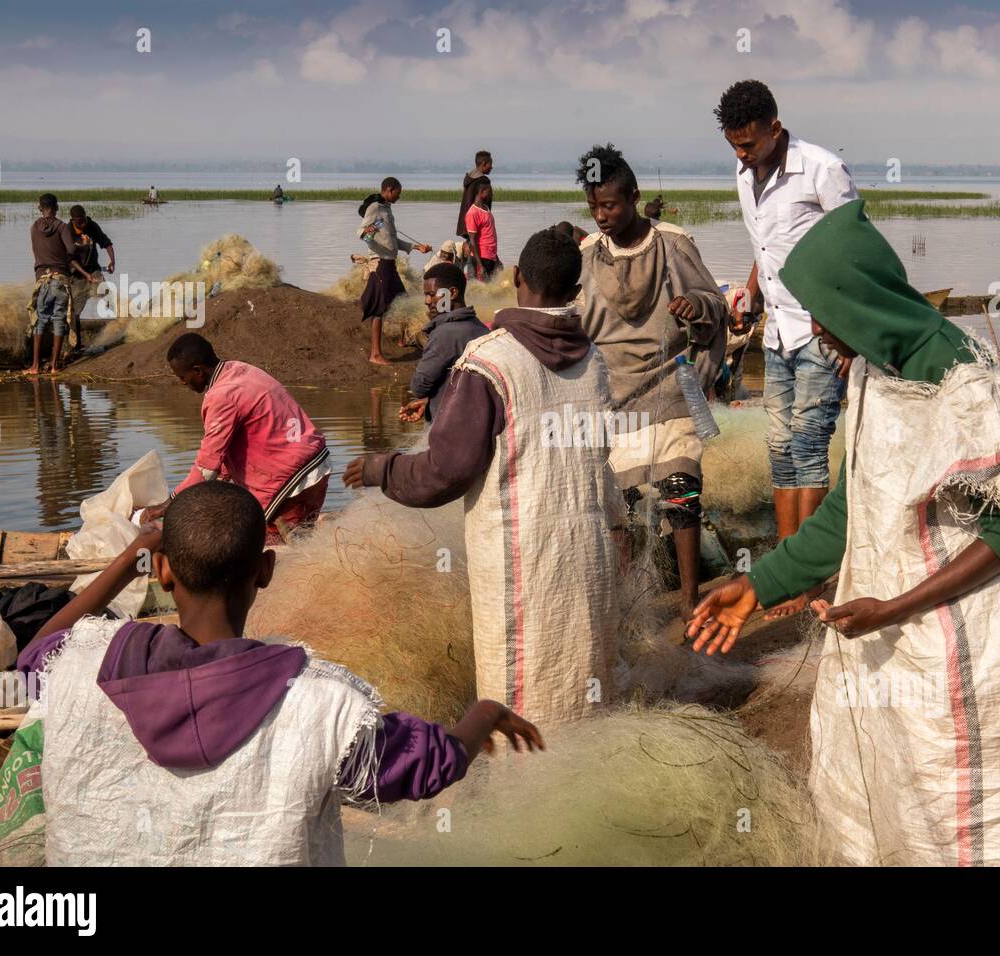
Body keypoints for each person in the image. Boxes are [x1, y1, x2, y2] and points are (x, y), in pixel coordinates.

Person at [688, 199, 1000, 866]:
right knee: (906, 790)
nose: (818, 330)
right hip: (904, 629)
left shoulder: (965, 386)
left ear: (861, 300)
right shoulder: (877, 371)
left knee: (976, 800)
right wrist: (758, 585)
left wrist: (898, 606)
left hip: (981, 635)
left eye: (825, 311)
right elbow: (851, 508)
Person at [17, 481, 541, 866]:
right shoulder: (322, 705)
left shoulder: (87, 664)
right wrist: (487, 712)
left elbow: (36, 653)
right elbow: (435, 765)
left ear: (162, 571)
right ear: (265, 572)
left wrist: (132, 553)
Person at [344, 227, 622, 728]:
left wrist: (380, 468)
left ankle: (524, 788)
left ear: (516, 278)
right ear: (575, 295)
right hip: (587, 557)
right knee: (583, 686)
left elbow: (445, 471)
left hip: (520, 566)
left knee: (517, 694)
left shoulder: (488, 362)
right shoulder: (595, 362)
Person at [716, 79, 858, 619]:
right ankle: (781, 566)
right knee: (778, 449)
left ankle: (806, 576)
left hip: (823, 332)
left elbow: (852, 251)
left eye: (749, 144)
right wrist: (750, 295)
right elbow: (766, 247)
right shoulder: (742, 173)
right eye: (733, 146)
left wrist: (847, 331)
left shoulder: (822, 169)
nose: (741, 155)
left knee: (807, 447)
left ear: (775, 128)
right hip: (776, 331)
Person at [575, 143, 727, 624]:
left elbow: (715, 303)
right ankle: (628, 599)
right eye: (594, 206)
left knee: (681, 489)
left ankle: (688, 599)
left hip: (671, 384)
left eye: (611, 206)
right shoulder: (586, 256)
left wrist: (695, 308)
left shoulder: (673, 243)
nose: (601, 216)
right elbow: (575, 321)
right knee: (620, 502)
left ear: (635, 197)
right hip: (612, 393)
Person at [140, 333, 331, 543]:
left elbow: (206, 468)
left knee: (268, 550)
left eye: (182, 377)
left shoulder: (221, 396)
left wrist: (170, 504)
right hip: (315, 465)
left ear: (198, 371)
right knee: (302, 542)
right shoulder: (240, 370)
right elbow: (223, 462)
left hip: (291, 480)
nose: (182, 383)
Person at [356, 177, 432, 365]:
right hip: (380, 263)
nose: (399, 197)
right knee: (379, 309)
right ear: (389, 190)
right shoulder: (375, 208)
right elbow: (362, 234)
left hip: (390, 264)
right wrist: (373, 232)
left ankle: (403, 339)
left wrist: (416, 247)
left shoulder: (387, 209)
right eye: (398, 193)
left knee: (402, 300)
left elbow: (392, 241)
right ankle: (375, 354)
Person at [402, 262, 489, 423]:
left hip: (450, 430)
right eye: (425, 295)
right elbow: (467, 388)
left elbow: (419, 387)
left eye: (432, 294)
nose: (427, 301)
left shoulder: (444, 334)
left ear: (452, 293)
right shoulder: (482, 328)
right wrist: (429, 402)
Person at [27, 193, 93, 377]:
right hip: (60, 280)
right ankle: (55, 366)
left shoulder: (33, 227)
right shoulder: (62, 227)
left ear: (40, 208)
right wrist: (84, 246)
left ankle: (35, 366)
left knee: (39, 322)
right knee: (58, 322)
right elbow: (71, 250)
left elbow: (36, 251)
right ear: (56, 208)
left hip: (42, 281)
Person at [66, 205, 115, 351]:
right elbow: (70, 259)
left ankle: (117, 328)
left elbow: (107, 243)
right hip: (76, 275)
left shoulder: (92, 226)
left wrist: (112, 261)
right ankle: (76, 345)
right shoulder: (67, 231)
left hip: (93, 271)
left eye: (83, 220)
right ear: (73, 220)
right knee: (75, 312)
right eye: (78, 222)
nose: (82, 224)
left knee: (107, 296)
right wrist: (85, 275)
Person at [464, 179, 501, 281]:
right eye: (490, 192)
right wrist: (480, 265)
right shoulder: (473, 213)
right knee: (481, 290)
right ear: (481, 192)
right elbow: (472, 240)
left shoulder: (486, 208)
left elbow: (489, 234)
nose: (491, 195)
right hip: (480, 258)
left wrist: (496, 258)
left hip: (491, 256)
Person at [456, 149, 493, 239]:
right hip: (479, 227)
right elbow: (485, 206)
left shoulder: (469, 178)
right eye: (490, 164)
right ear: (483, 163)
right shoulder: (483, 181)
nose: (491, 167)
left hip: (466, 226)